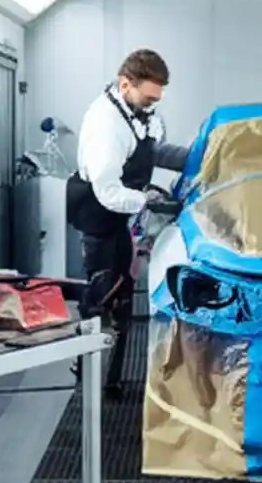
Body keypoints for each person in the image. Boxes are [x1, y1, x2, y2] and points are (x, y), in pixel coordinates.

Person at [67, 49, 188, 399]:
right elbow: (107, 192)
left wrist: (199, 155)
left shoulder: (139, 111)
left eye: (157, 99)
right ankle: (84, 377)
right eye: (148, 97)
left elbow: (154, 151)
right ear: (125, 85)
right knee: (100, 297)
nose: (153, 104)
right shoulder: (106, 126)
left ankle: (114, 379)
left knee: (123, 300)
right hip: (101, 215)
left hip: (122, 217)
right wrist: (149, 201)